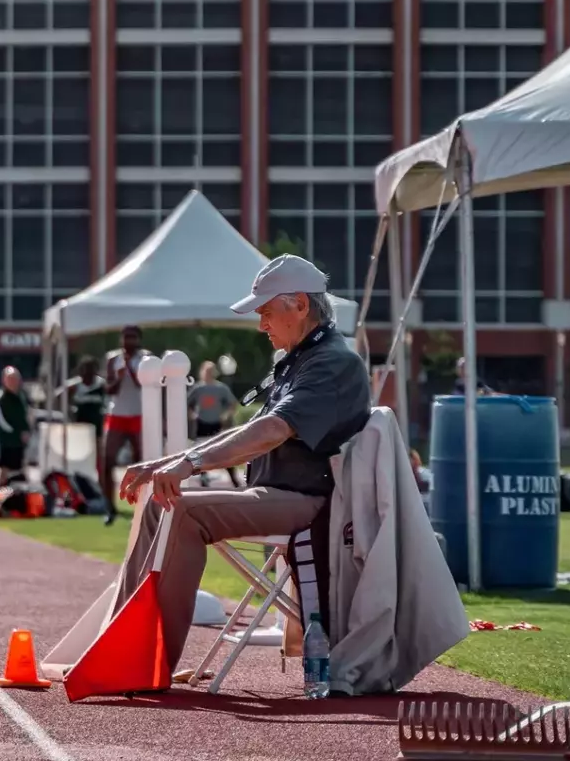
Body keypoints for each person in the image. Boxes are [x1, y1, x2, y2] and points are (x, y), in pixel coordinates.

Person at [105, 254, 371, 679]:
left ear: (300, 305)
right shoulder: (304, 359)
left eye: (266, 312)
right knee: (161, 500)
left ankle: (148, 662)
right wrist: (166, 462)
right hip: (280, 495)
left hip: (311, 504)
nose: (261, 324)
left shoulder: (333, 362)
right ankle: (125, 645)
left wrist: (187, 463)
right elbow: (250, 434)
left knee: (180, 509)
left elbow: (270, 431)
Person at [101, 326, 151, 525]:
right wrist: (120, 376)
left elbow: (146, 385)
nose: (128, 341)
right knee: (107, 460)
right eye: (125, 337)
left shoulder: (146, 358)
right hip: (118, 414)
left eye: (132, 338)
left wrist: (131, 368)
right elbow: (109, 389)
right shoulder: (113, 359)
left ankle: (140, 505)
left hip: (139, 413)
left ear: (139, 339)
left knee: (140, 461)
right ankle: (109, 507)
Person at [187, 361, 241, 488]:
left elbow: (233, 404)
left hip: (216, 424)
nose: (208, 374)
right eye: (206, 371)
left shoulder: (221, 388)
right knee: (198, 451)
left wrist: (225, 416)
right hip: (201, 424)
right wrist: (192, 415)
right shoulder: (198, 388)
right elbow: (188, 403)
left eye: (211, 371)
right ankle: (202, 477)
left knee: (222, 450)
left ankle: (234, 479)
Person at [0, 366, 31, 478]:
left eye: (15, 379)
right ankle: (1, 493)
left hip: (20, 441)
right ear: (3, 380)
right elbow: (1, 420)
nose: (13, 382)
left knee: (19, 467)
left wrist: (26, 431)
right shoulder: (0, 397)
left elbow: (25, 415)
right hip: (7, 441)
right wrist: (18, 433)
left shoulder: (21, 396)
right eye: (10, 379)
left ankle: (17, 492)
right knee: (5, 468)